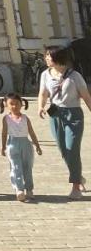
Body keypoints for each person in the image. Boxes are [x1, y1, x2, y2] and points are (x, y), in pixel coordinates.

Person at [38, 45, 91, 199]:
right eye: (46, 55)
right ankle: (78, 176)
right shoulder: (45, 75)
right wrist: (41, 106)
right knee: (63, 150)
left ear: (58, 57)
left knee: (72, 148)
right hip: (55, 114)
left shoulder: (75, 76)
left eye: (49, 55)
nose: (46, 58)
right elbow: (43, 93)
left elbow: (86, 96)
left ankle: (75, 186)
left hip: (73, 114)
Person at [0, 93, 42, 201]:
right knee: (16, 167)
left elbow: (31, 133)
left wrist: (37, 145)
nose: (15, 106)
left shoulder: (25, 118)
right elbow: (4, 133)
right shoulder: (6, 118)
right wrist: (3, 146)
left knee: (27, 167)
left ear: (22, 104)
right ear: (6, 105)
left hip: (26, 145)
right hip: (12, 144)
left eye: (17, 104)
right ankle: (19, 189)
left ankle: (29, 189)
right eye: (11, 104)